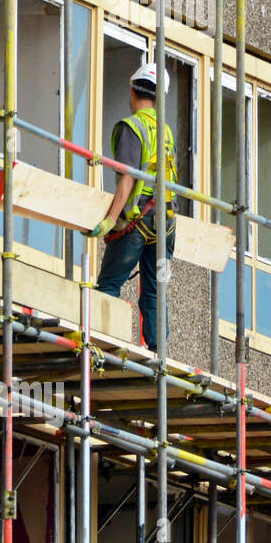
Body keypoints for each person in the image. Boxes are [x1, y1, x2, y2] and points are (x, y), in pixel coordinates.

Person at [88, 62, 177, 351]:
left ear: (133, 90)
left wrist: (111, 219)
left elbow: (129, 177)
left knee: (109, 283)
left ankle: (100, 343)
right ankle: (158, 352)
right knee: (154, 290)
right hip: (166, 221)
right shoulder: (164, 131)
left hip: (139, 219)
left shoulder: (132, 126)